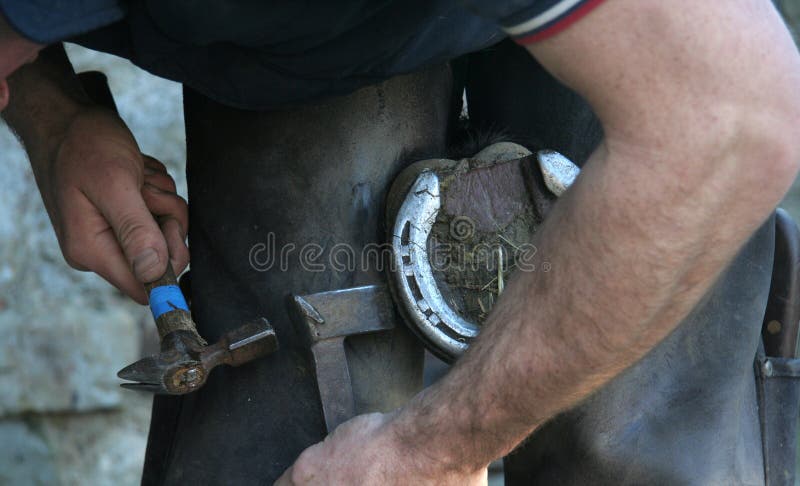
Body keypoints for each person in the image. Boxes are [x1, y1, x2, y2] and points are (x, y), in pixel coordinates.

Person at [1, 1, 799, 484]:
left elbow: (731, 126)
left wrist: (437, 449)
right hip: (296, 41)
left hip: (655, 47)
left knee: (636, 437)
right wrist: (51, 115)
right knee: (288, 441)